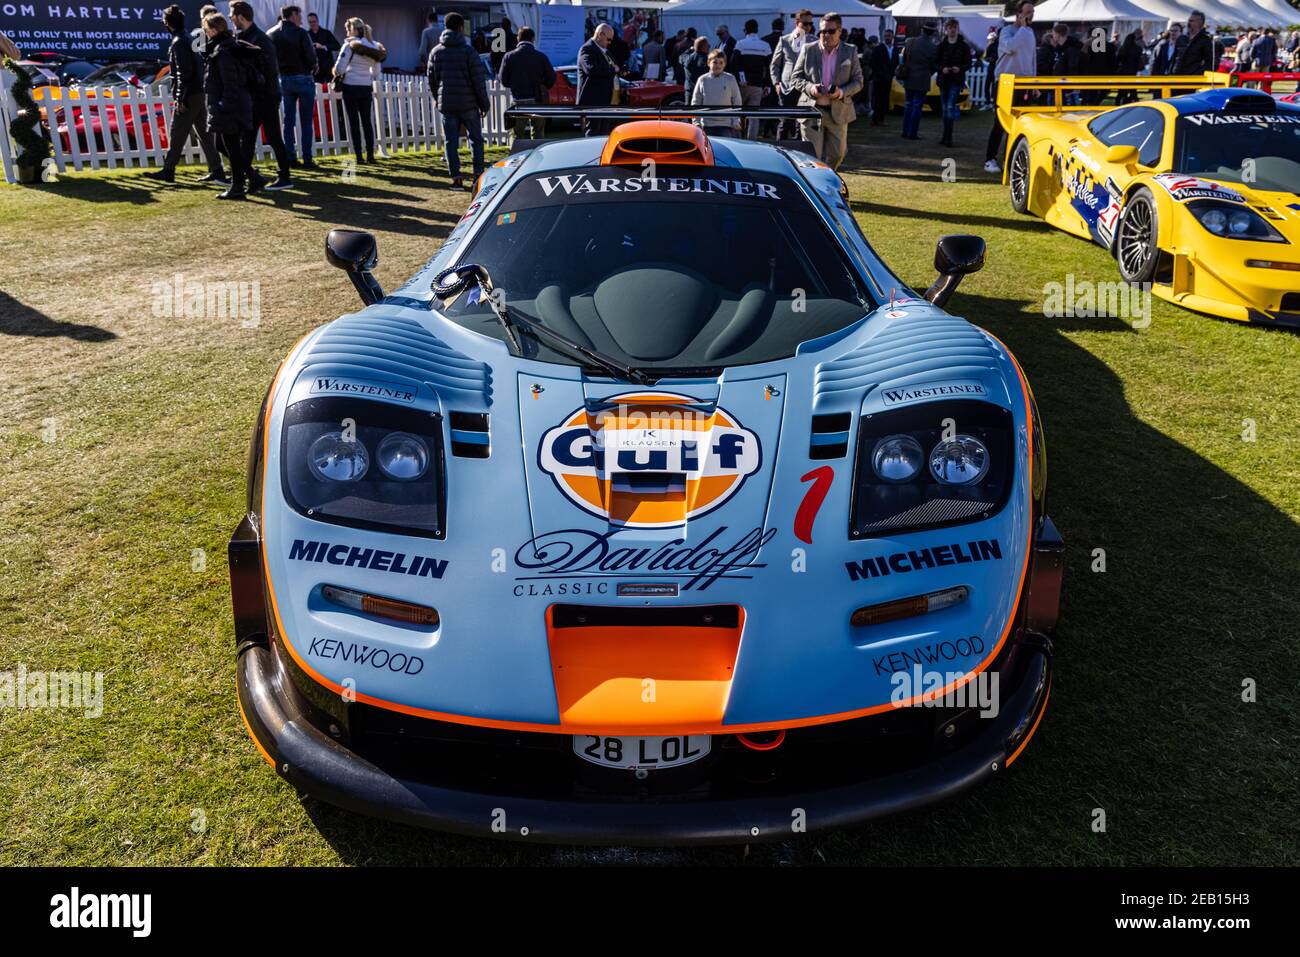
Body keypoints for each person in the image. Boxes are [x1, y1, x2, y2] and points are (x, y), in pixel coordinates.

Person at [147, 4, 228, 185]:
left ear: (168, 23)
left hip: (189, 94)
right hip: (199, 92)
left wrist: (180, 98)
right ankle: (217, 171)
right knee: (205, 134)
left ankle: (168, 170)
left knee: (177, 132)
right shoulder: (189, 38)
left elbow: (183, 73)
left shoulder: (178, 42)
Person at [228, 1, 292, 191]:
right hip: (254, 97)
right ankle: (246, 179)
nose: (230, 18)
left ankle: (285, 177)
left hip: (265, 96)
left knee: (273, 137)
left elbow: (269, 71)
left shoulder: (260, 39)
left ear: (240, 17)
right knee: (247, 138)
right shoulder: (246, 36)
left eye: (232, 15)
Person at [790, 12, 863, 171]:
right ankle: (816, 189)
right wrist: (810, 88)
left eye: (830, 31)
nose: (825, 35)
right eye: (822, 31)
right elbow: (795, 77)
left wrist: (841, 92)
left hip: (838, 111)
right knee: (811, 157)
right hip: (811, 111)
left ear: (840, 31)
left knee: (837, 154)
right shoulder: (808, 49)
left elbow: (858, 81)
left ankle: (826, 181)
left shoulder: (850, 51)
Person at [427, 11, 487, 186]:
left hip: (447, 103)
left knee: (450, 141)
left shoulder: (436, 52)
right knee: (475, 139)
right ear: (461, 27)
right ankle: (478, 173)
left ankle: (456, 176)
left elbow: (432, 80)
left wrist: (437, 98)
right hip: (469, 103)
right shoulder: (469, 51)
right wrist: (484, 104)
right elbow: (478, 81)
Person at [200, 12, 254, 199]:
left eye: (207, 30)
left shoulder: (224, 51)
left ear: (214, 30)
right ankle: (252, 177)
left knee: (230, 147)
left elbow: (230, 81)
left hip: (230, 107)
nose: (206, 33)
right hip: (234, 105)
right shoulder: (227, 47)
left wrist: (224, 105)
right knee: (227, 146)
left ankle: (238, 186)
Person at [984, 0, 1035, 174]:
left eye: (1032, 12)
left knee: (1018, 125)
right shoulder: (1006, 31)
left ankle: (1009, 159)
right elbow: (1011, 47)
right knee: (1000, 123)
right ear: (1018, 14)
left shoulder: (1030, 32)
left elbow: (1031, 59)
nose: (1030, 16)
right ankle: (990, 159)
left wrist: (1034, 82)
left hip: (1024, 84)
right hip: (1006, 82)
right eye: (1027, 12)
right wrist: (1022, 27)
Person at [268, 5, 317, 168]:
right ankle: (308, 158)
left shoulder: (271, 33)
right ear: (293, 15)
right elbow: (310, 56)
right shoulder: (301, 33)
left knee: (288, 122)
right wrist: (313, 67)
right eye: (299, 15)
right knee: (306, 121)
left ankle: (290, 157)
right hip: (303, 77)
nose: (301, 19)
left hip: (284, 79)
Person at [333, 17, 383, 165]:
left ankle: (359, 157)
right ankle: (370, 156)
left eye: (348, 30)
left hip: (350, 86)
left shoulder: (349, 45)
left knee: (354, 122)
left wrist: (340, 72)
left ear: (353, 30)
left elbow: (339, 69)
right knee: (367, 121)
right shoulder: (374, 46)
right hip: (365, 86)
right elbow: (376, 71)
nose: (347, 33)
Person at [499, 26, 554, 142]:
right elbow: (551, 79)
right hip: (538, 100)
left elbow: (503, 80)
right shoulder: (541, 57)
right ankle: (537, 158)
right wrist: (543, 85)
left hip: (518, 101)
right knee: (538, 133)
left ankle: (517, 158)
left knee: (517, 136)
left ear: (518, 38)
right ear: (533, 39)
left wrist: (514, 85)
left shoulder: (509, 57)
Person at [771, 10, 814, 139]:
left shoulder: (814, 41)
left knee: (802, 123)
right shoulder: (784, 40)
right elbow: (775, 64)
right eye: (805, 23)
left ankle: (799, 153)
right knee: (785, 122)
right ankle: (780, 152)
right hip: (786, 87)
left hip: (806, 87)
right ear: (797, 22)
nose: (808, 26)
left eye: (810, 23)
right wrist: (776, 83)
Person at [578, 22, 620, 136]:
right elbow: (591, 69)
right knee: (593, 133)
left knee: (604, 134)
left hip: (606, 100)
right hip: (593, 101)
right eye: (609, 39)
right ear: (600, 34)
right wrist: (612, 69)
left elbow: (615, 66)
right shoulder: (587, 48)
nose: (609, 43)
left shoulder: (604, 51)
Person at [934, 18, 972, 147]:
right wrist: (941, 69)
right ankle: (944, 136)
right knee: (944, 109)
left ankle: (948, 137)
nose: (952, 30)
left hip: (956, 80)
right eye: (950, 28)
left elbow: (968, 63)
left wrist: (959, 68)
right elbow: (935, 63)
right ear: (946, 30)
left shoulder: (963, 46)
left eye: (954, 28)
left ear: (958, 29)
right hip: (943, 80)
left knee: (950, 107)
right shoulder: (941, 45)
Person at [900, 20, 938, 141]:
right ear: (932, 33)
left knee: (908, 105)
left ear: (922, 30)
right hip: (922, 78)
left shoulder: (910, 42)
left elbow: (904, 57)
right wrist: (927, 73)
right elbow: (934, 65)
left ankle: (905, 131)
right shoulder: (932, 47)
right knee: (916, 106)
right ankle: (912, 133)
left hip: (909, 76)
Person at [734, 19, 772, 139]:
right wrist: (767, 84)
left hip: (742, 85)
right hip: (758, 85)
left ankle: (739, 138)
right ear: (757, 30)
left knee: (739, 112)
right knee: (754, 115)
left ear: (745, 30)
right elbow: (770, 67)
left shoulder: (740, 44)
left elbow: (734, 64)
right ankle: (751, 140)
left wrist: (742, 78)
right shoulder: (765, 46)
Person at [691, 48, 742, 135]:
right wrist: (696, 121)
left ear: (724, 64)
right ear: (708, 63)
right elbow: (696, 102)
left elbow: (736, 101)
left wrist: (736, 120)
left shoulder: (730, 79)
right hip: (706, 125)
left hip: (726, 125)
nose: (718, 65)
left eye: (721, 63)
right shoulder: (702, 79)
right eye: (715, 62)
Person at [1174, 11, 1214, 75]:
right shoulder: (1181, 38)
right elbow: (1174, 57)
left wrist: (1197, 74)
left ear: (1200, 23)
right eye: (1188, 20)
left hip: (1192, 80)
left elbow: (1210, 63)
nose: (1188, 23)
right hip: (1176, 77)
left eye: (1191, 21)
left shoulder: (1205, 40)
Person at [868, 27, 893, 125]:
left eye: (889, 36)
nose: (888, 38)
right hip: (879, 78)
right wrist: (879, 73)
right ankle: (875, 119)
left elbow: (894, 63)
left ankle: (880, 119)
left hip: (888, 78)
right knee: (878, 99)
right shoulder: (878, 49)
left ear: (892, 37)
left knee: (884, 99)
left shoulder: (893, 49)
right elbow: (873, 63)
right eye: (886, 36)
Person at [308, 12, 340, 85]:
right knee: (317, 90)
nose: (312, 24)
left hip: (327, 66)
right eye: (310, 22)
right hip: (314, 68)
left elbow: (337, 46)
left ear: (318, 21)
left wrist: (323, 47)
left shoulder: (326, 33)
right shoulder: (307, 34)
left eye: (314, 21)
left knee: (330, 89)